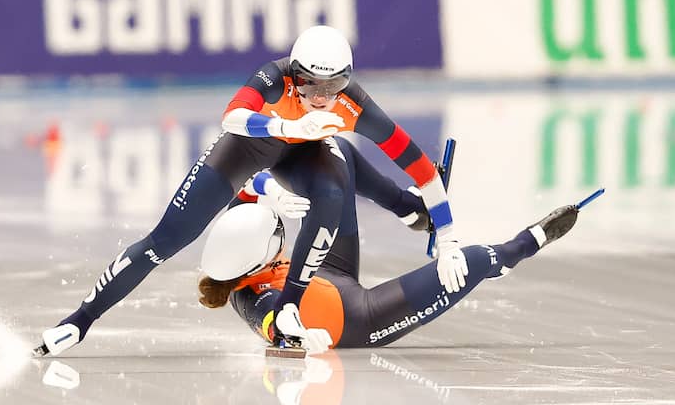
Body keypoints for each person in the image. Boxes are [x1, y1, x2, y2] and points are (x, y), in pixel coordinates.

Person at [35, 25, 465, 356]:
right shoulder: (274, 78)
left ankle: (291, 306)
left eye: (332, 87)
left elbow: (422, 168)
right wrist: (286, 128)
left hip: (302, 152)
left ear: (346, 81)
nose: (320, 97)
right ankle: (79, 320)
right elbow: (232, 117)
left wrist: (447, 238)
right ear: (294, 75)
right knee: (163, 242)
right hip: (245, 149)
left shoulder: (355, 104)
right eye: (309, 85)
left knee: (333, 194)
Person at [198, 137, 579, 350]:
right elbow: (271, 326)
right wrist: (292, 337)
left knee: (335, 152)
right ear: (256, 265)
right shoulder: (252, 298)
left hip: (327, 270)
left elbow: (247, 183)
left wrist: (271, 190)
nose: (284, 240)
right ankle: (521, 247)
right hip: (360, 316)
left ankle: (412, 210)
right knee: (472, 259)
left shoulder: (236, 236)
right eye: (278, 239)